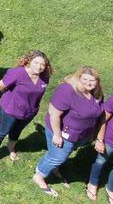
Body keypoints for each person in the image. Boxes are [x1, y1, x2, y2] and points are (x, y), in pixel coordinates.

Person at [32, 66, 104, 196]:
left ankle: (51, 168)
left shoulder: (97, 94)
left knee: (58, 155)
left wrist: (92, 134)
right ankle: (39, 176)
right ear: (78, 78)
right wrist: (57, 135)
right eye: (85, 79)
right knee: (58, 157)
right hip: (62, 132)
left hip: (80, 135)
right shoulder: (66, 91)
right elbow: (54, 114)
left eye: (92, 80)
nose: (89, 83)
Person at [0, 51, 52, 170]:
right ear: (29, 61)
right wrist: (9, 96)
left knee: (17, 130)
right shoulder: (18, 73)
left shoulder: (44, 77)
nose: (39, 66)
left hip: (29, 112)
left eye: (42, 64)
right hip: (10, 109)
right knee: (2, 130)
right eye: (36, 62)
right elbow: (0, 85)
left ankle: (10, 147)